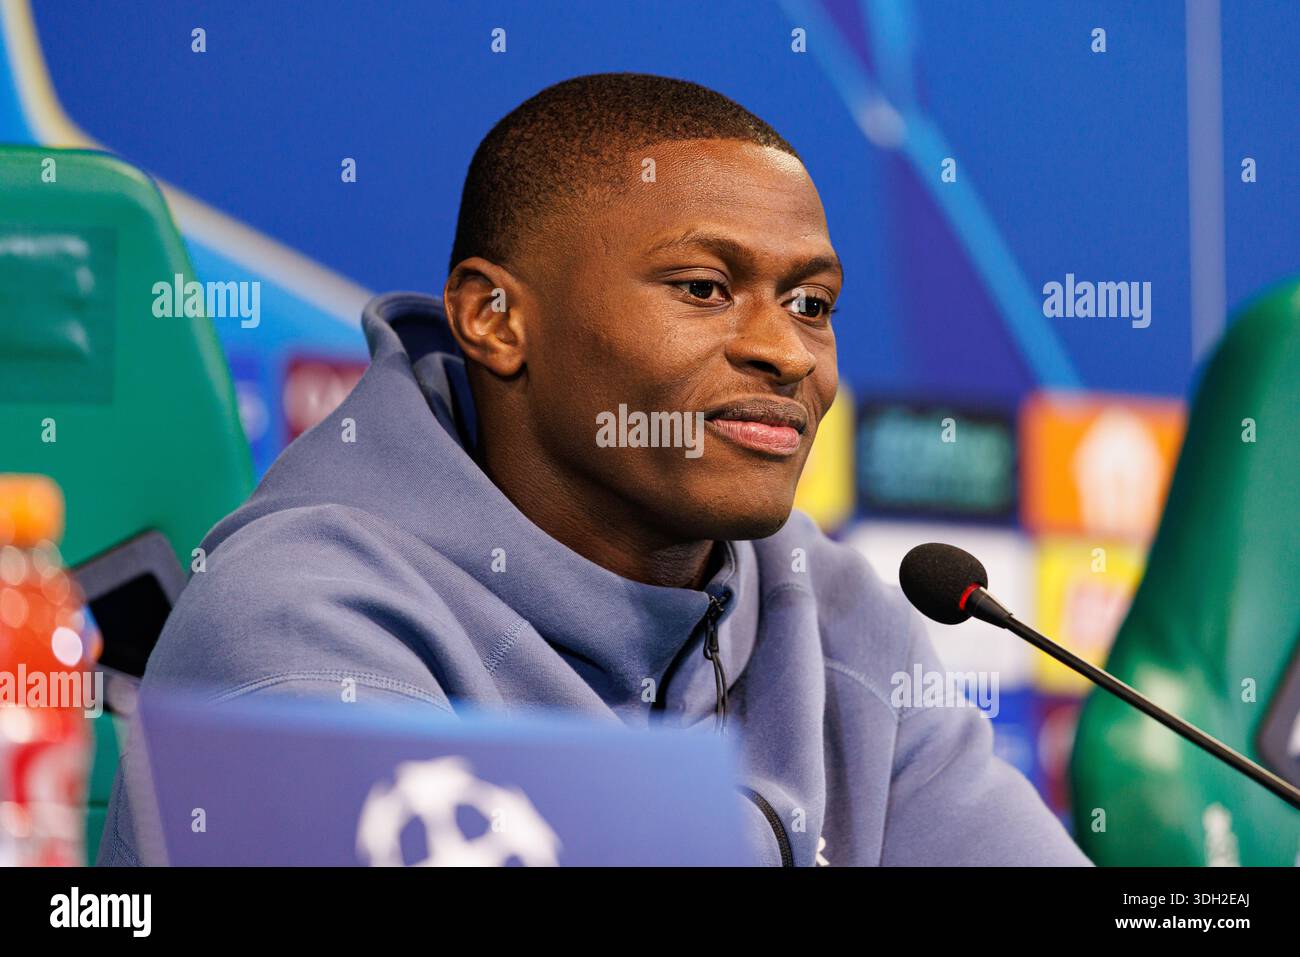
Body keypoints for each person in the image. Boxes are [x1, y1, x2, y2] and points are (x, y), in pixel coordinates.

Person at [100, 73, 1089, 866]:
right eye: (705, 288)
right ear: (495, 319)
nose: (786, 352)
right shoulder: (292, 618)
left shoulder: (835, 614)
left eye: (812, 304)